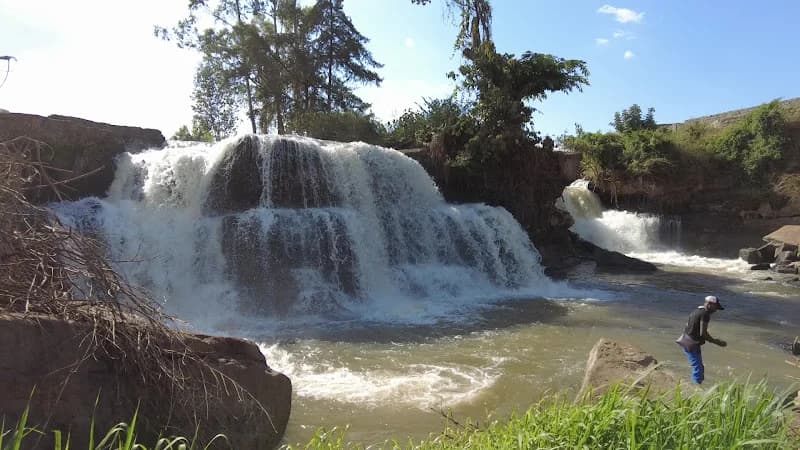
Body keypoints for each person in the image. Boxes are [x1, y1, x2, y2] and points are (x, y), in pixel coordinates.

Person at [675, 295, 727, 384]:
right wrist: (717, 342)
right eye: (715, 307)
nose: (716, 310)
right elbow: (703, 334)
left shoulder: (697, 311)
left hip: (687, 340)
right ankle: (696, 391)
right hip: (691, 344)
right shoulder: (705, 314)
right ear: (709, 304)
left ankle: (696, 385)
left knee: (699, 367)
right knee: (698, 369)